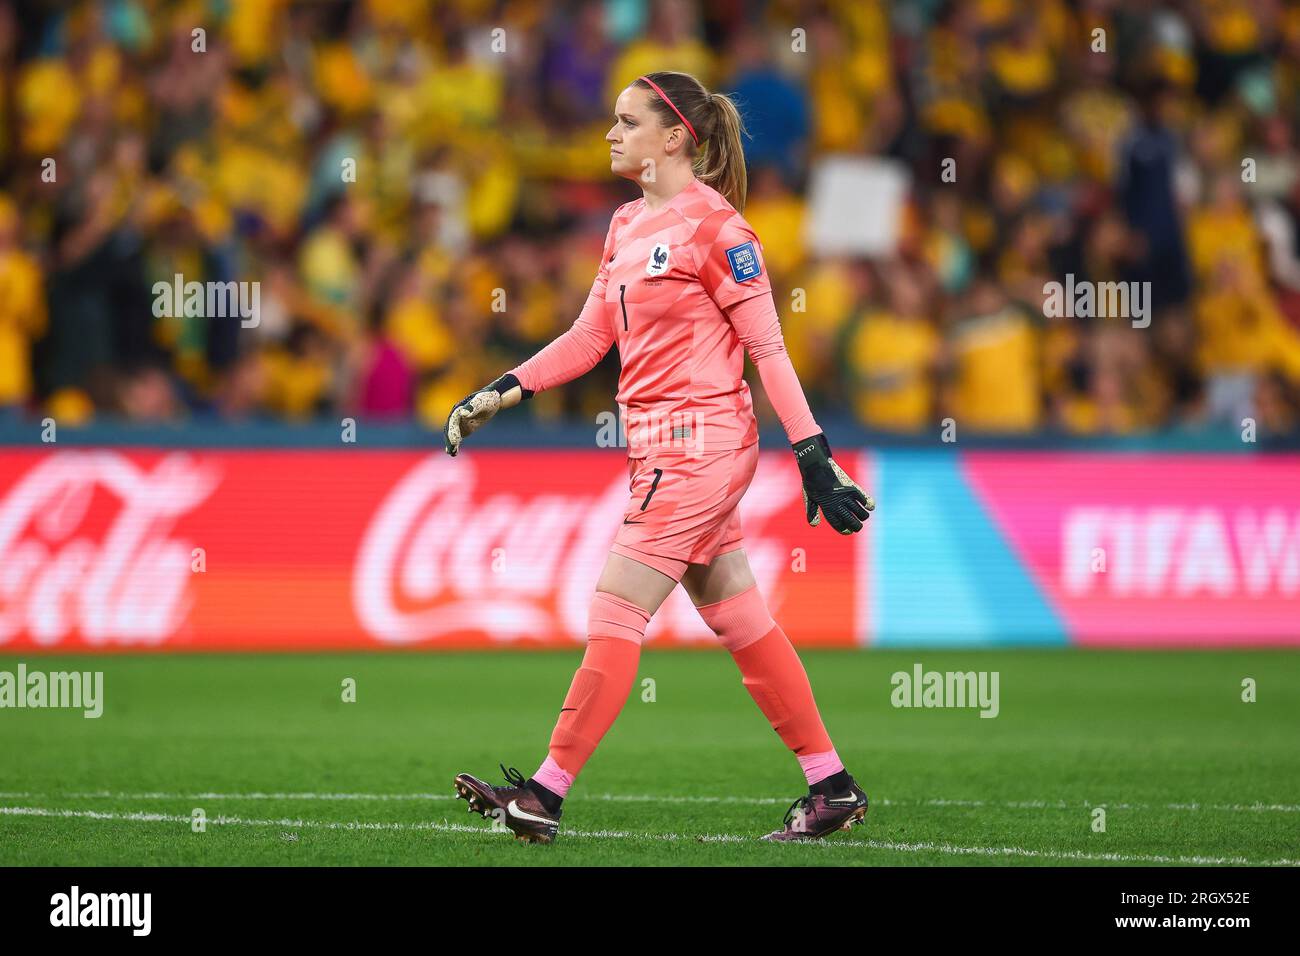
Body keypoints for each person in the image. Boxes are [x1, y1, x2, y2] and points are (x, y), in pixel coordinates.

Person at [444, 72, 874, 844]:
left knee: (615, 606)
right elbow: (589, 338)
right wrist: (505, 388)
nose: (611, 133)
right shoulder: (624, 225)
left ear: (674, 136)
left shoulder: (720, 231)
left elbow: (767, 348)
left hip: (698, 445)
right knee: (740, 615)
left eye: (626, 121)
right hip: (660, 450)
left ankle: (545, 793)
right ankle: (831, 785)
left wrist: (813, 452)